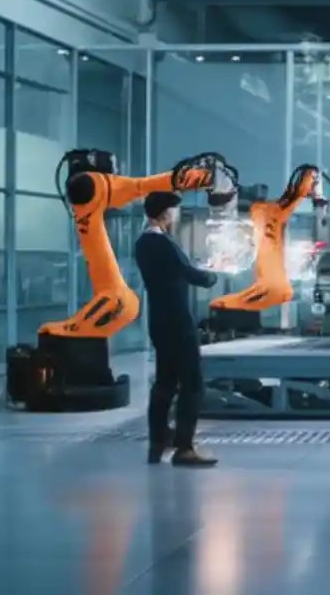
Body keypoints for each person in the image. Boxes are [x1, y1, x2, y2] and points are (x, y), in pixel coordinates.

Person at [135, 192, 219, 467]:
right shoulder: (160, 243)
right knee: (192, 383)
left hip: (159, 320)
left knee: (165, 383)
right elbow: (190, 273)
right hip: (177, 321)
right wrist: (212, 274)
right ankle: (184, 448)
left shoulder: (143, 243)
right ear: (165, 213)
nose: (176, 216)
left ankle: (158, 442)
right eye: (174, 211)